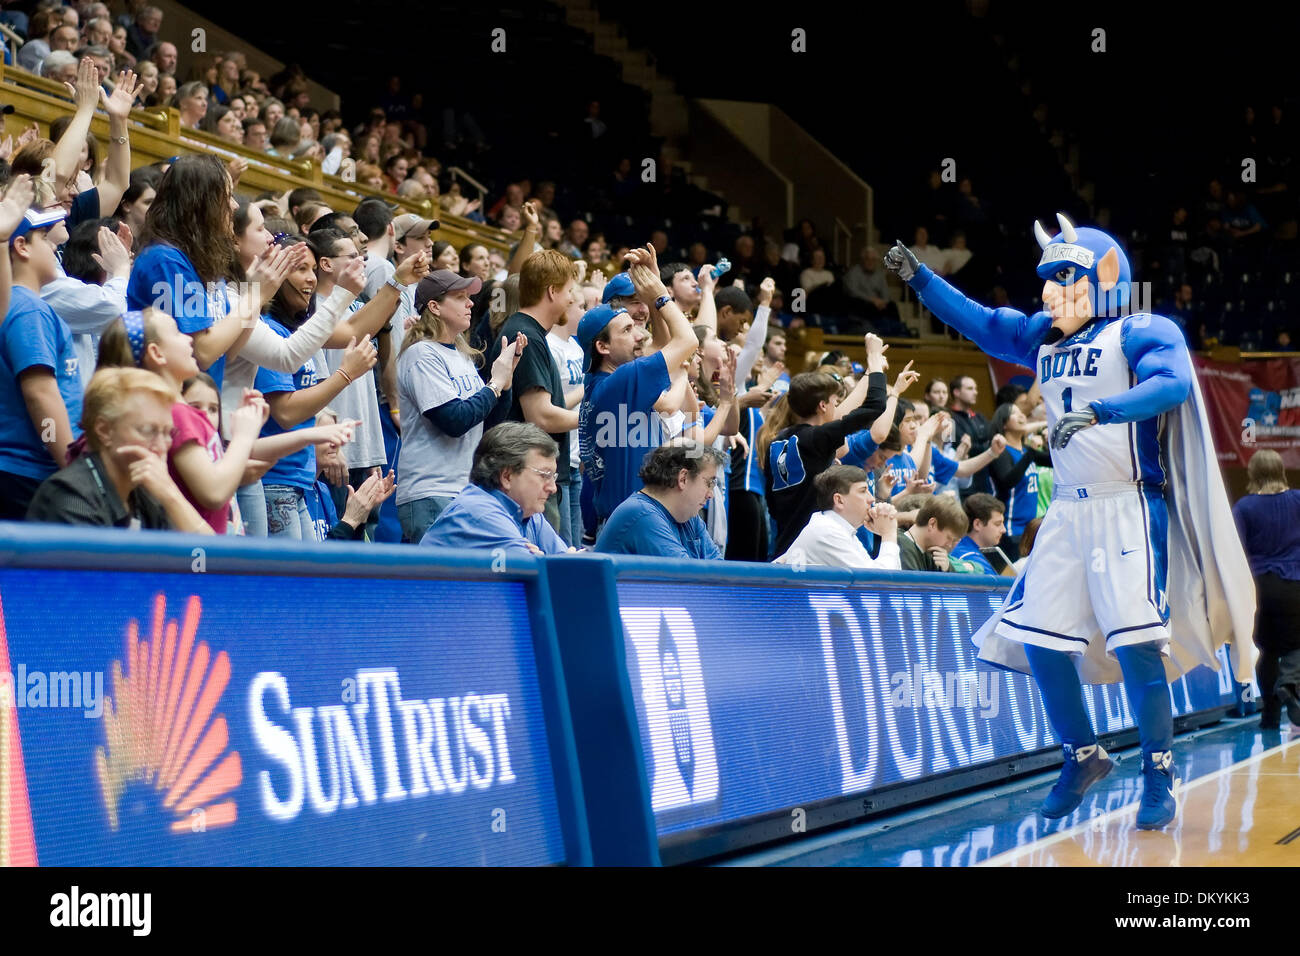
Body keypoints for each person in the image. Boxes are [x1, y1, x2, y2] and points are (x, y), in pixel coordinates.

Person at [885, 211, 1255, 829]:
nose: (1051, 289)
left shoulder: (1141, 329)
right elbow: (979, 320)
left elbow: (1174, 386)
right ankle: (1081, 755)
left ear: (1105, 279)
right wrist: (922, 279)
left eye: (1065, 276)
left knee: (1138, 647)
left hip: (1128, 503)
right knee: (1035, 637)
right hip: (1069, 511)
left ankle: (1158, 770)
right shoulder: (1042, 337)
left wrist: (1105, 410)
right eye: (1048, 277)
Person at [395, 270, 525, 543]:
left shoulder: (460, 355)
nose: (470, 304)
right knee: (436, 583)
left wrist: (506, 381)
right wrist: (494, 385)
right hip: (431, 490)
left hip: (460, 489)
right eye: (460, 297)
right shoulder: (422, 354)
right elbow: (454, 421)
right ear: (435, 306)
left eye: (469, 298)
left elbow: (489, 423)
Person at [577, 245, 699, 529]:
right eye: (627, 330)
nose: (639, 336)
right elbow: (686, 342)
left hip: (626, 516)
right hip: (634, 520)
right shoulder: (621, 381)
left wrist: (654, 284)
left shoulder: (606, 381)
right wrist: (659, 295)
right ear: (602, 346)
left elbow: (665, 346)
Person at [26, 367, 212, 532]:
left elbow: (208, 561)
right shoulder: (70, 496)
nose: (162, 446)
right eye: (148, 430)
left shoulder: (144, 490)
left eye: (168, 432)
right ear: (104, 431)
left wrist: (170, 493)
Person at [758, 335, 890, 557]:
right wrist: (875, 358)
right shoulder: (817, 438)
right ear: (822, 406)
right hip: (814, 551)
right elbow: (876, 405)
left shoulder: (777, 441)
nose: (836, 407)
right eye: (834, 402)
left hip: (786, 547)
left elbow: (773, 503)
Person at [0, 206, 81, 519]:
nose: (55, 247)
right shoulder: (29, 309)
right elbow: (40, 394)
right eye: (45, 238)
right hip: (29, 473)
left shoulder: (19, 305)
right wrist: (72, 469)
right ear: (22, 247)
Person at [420, 422, 568, 555]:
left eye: (552, 477)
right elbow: (539, 573)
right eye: (545, 475)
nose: (553, 488)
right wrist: (553, 564)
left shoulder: (530, 514)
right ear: (507, 476)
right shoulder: (479, 513)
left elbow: (567, 566)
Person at [1231, 450, 1300, 729]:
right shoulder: (1297, 500)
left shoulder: (1244, 507)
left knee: (1265, 649)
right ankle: (1291, 681)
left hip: (1258, 588)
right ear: (1281, 470)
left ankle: (1269, 715)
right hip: (1295, 583)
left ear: (1253, 474)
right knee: (1297, 643)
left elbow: (1234, 550)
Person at [594, 439, 726, 559]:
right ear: (683, 478)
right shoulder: (641, 515)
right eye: (709, 483)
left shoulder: (688, 516)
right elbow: (687, 579)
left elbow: (720, 571)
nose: (710, 495)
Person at [773, 465, 902, 570]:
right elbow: (879, 583)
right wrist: (888, 534)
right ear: (839, 500)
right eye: (863, 491)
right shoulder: (827, 531)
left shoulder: (837, 528)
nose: (871, 499)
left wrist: (887, 533)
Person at [988, 401, 1052, 559]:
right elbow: (1007, 481)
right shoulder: (1001, 451)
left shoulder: (1026, 451)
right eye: (1014, 413)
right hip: (1011, 530)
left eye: (1021, 412)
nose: (1022, 415)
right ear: (1004, 424)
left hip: (1030, 530)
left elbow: (1056, 462)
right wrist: (1031, 452)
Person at [896, 494, 968, 571]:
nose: (950, 545)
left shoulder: (930, 553)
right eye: (949, 538)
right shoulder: (901, 546)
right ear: (932, 524)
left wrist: (948, 569)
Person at [950, 493, 1006, 575]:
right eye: (997, 524)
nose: (1004, 530)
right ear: (977, 524)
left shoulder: (960, 547)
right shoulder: (970, 557)